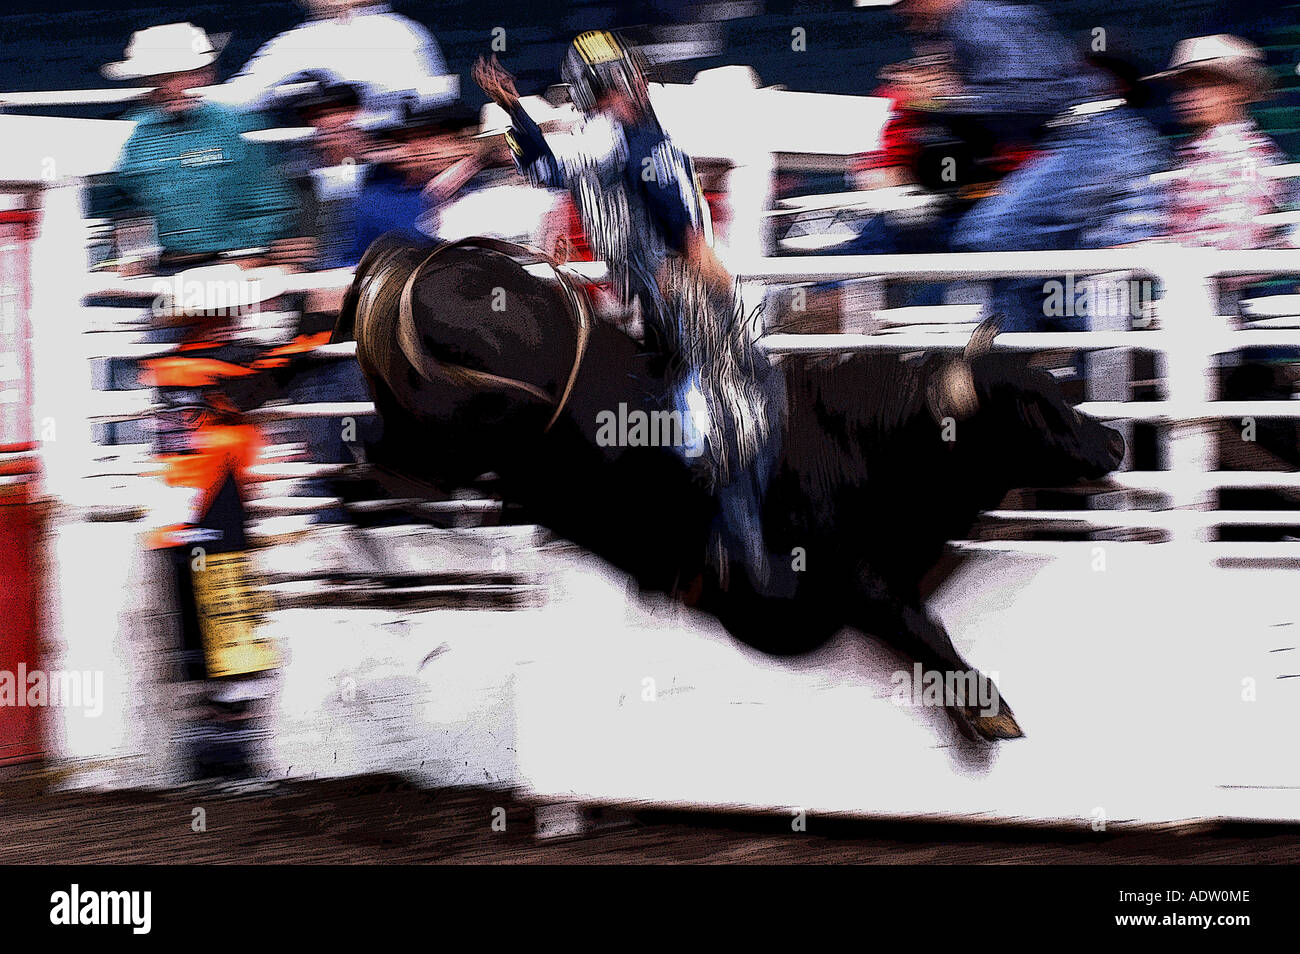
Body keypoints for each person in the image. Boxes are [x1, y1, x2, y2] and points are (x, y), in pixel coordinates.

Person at [474, 33, 787, 595]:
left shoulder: (605, 139)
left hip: (648, 294)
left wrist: (515, 112)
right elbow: (658, 186)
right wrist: (696, 250)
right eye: (622, 78)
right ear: (604, 88)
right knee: (736, 409)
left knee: (682, 411)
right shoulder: (621, 138)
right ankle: (740, 549)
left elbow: (545, 170)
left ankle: (681, 532)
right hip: (673, 289)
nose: (635, 84)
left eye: (631, 75)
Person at [889, 0, 1169, 340]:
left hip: (1093, 140)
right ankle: (1052, 348)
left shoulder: (971, 18)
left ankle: (1012, 359)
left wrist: (944, 101)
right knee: (1034, 263)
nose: (899, 11)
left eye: (904, 2)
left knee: (992, 235)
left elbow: (1031, 98)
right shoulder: (977, 19)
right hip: (1090, 141)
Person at [97, 23, 309, 276]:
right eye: (162, 78)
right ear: (146, 83)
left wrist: (249, 256)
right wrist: (132, 254)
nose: (172, 87)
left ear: (205, 75)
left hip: (233, 264)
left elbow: (269, 203)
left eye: (181, 75)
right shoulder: (129, 132)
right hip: (159, 268)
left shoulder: (239, 125)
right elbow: (120, 203)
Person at [208, 0, 455, 130]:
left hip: (392, 163)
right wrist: (185, 94)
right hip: (326, 165)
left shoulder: (405, 34)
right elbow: (242, 95)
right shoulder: (300, 40)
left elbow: (437, 101)